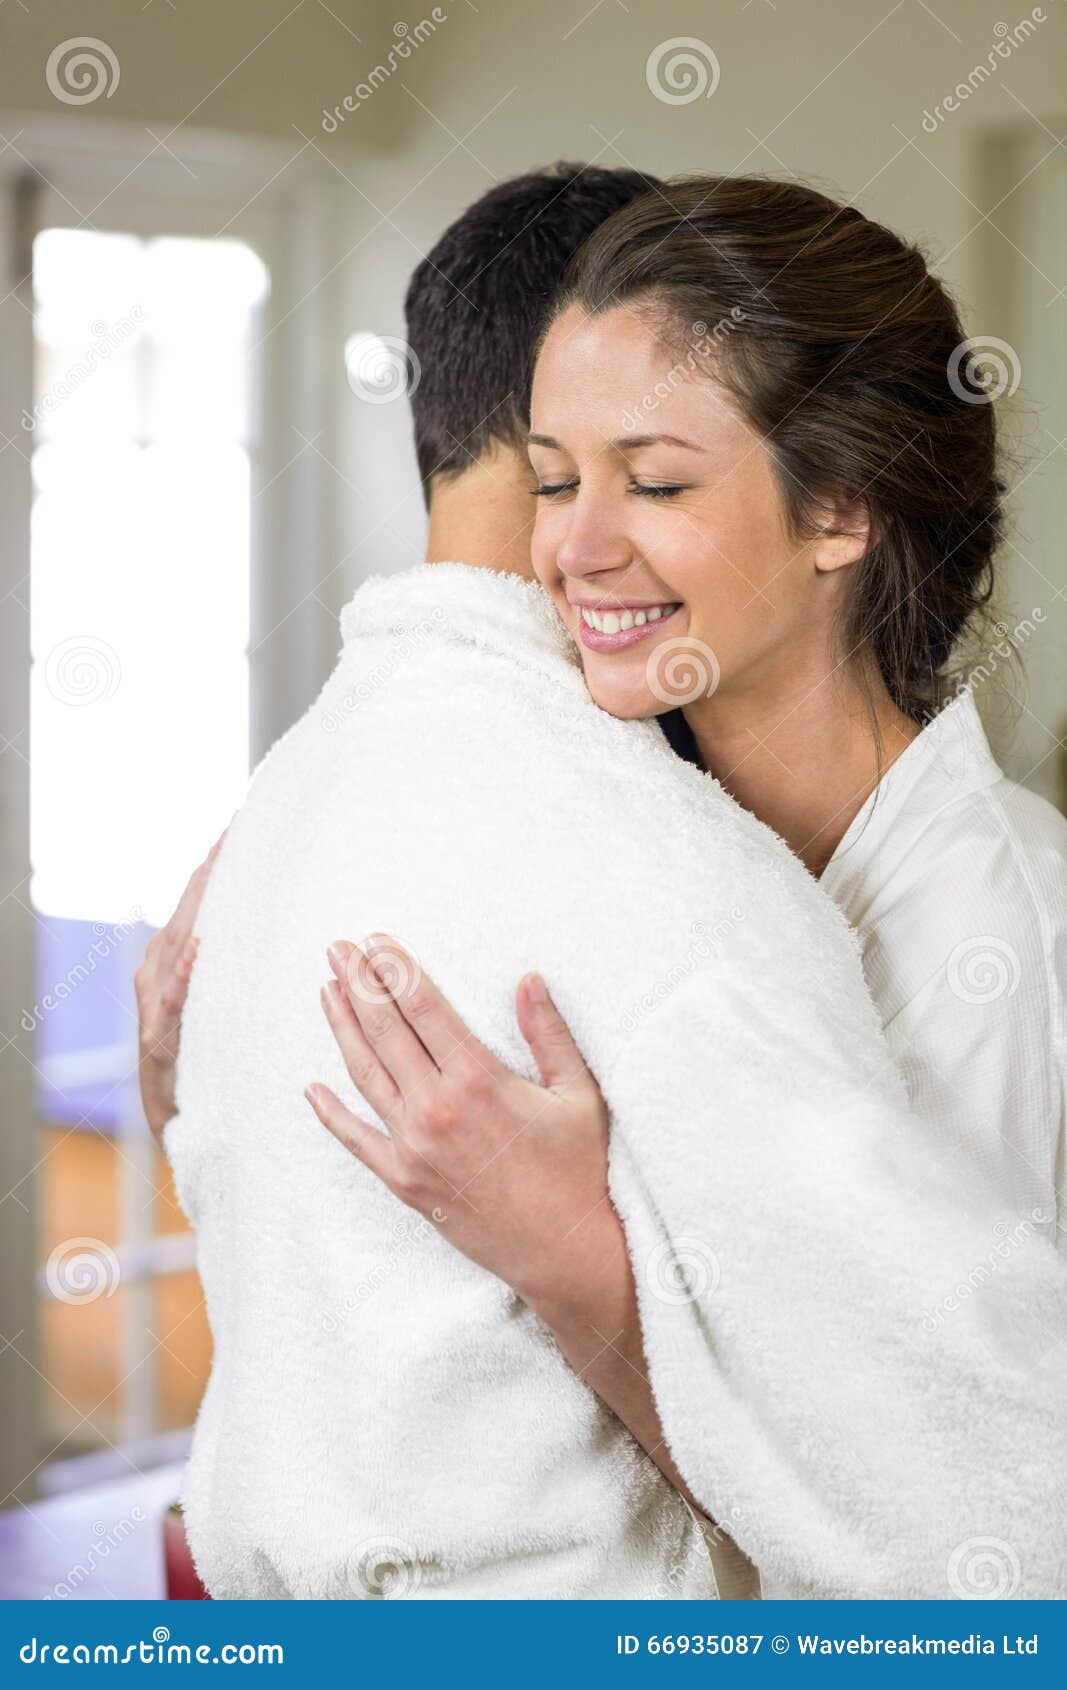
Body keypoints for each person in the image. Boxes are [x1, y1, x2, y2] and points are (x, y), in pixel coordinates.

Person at [140, 170, 1066, 1601]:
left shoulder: (1006, 939)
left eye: (660, 480)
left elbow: (953, 1537)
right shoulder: (632, 846)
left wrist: (577, 1260)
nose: (567, 548)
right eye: (557, 476)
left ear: (840, 508)